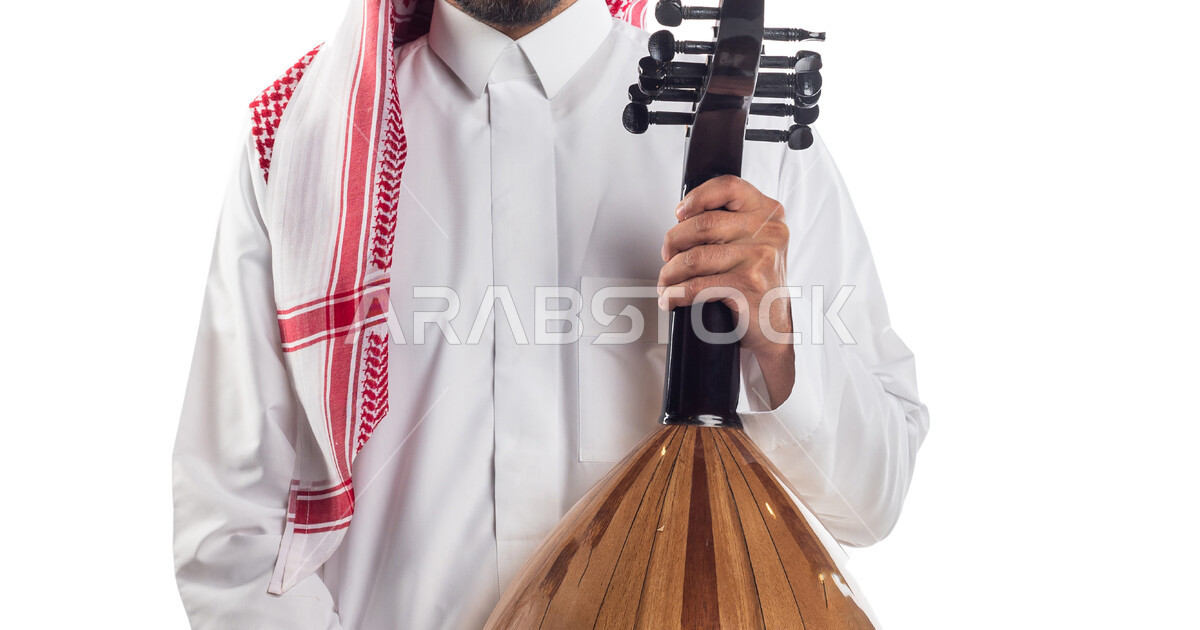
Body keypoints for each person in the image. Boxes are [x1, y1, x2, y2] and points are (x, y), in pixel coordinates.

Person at [172, 0, 929, 627]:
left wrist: (780, 339)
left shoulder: (764, 148)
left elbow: (874, 500)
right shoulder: (308, 145)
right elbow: (231, 526)